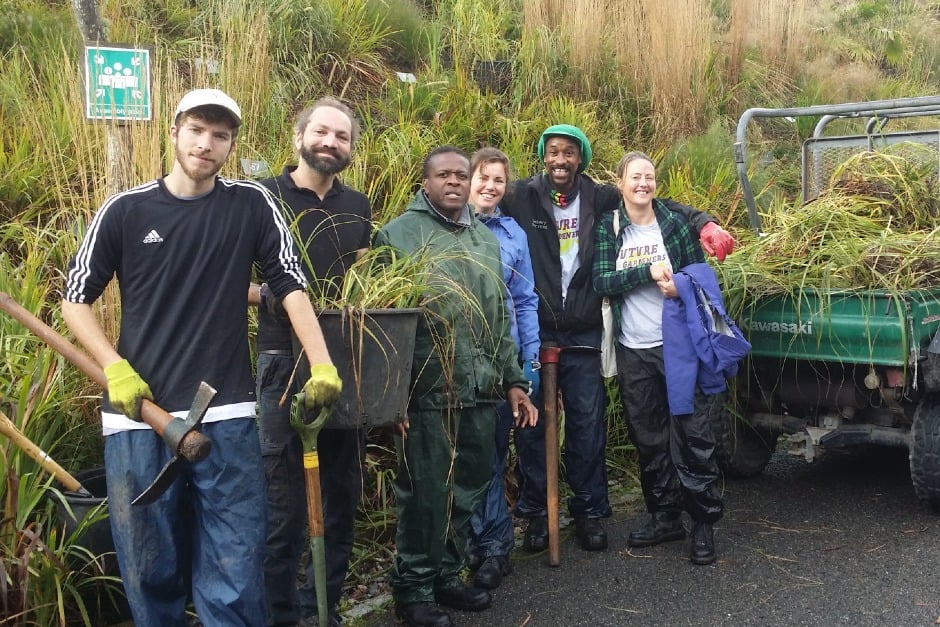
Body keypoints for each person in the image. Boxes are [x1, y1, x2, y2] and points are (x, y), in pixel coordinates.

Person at [61, 88, 342, 627]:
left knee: (235, 566)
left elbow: (289, 283)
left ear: (231, 144)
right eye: (196, 130)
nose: (206, 144)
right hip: (139, 416)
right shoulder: (125, 210)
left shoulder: (251, 205)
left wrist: (322, 362)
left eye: (220, 135)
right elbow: (76, 300)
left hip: (229, 413)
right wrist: (113, 366)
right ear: (174, 131)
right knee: (151, 565)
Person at [501, 125, 735, 554]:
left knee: (675, 433)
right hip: (588, 339)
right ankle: (649, 515)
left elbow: (685, 238)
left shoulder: (605, 201)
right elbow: (485, 204)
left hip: (647, 341)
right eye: (553, 151)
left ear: (583, 160)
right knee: (629, 435)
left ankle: (685, 521)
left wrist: (704, 224)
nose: (560, 159)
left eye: (569, 152)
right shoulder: (528, 197)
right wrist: (646, 273)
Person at [373, 146, 539, 627]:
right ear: (425, 183)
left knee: (465, 488)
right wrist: (391, 397)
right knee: (425, 493)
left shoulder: (484, 241)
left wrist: (512, 380)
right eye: (443, 175)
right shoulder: (398, 236)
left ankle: (445, 575)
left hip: (481, 390)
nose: (454, 182)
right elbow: (383, 327)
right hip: (426, 391)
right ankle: (414, 587)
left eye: (460, 175)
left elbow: (498, 317)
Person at [252, 97, 372, 627]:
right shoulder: (262, 199)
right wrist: (270, 297)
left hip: (343, 360)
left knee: (341, 494)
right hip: (282, 360)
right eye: (321, 131)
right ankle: (279, 616)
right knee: (283, 505)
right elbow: (228, 278)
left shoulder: (358, 206)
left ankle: (323, 608)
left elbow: (366, 276)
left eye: (342, 137)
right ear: (298, 135)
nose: (331, 142)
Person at [592, 151, 733, 565]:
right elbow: (602, 279)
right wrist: (647, 273)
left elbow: (700, 277)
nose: (643, 184)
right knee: (648, 436)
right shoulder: (610, 226)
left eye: (649, 177)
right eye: (635, 177)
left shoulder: (672, 222)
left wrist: (680, 288)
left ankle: (703, 522)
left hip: (679, 347)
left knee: (693, 434)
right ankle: (665, 515)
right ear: (620, 183)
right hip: (633, 349)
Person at [465, 147, 540, 590]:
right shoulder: (448, 227)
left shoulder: (512, 234)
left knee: (492, 454)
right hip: (458, 361)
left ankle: (493, 545)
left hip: (502, 361)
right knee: (468, 457)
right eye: (483, 177)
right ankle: (478, 541)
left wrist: (528, 360)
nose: (490, 186)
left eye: (498, 180)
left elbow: (526, 300)